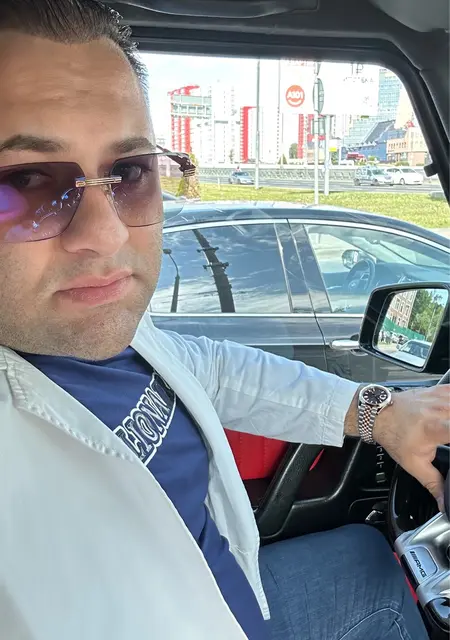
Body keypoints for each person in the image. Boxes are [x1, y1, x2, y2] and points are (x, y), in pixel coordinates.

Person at [0, 2, 447, 639]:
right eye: (25, 182)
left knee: (363, 559)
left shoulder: (119, 339)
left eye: (128, 172)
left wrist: (380, 413)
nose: (107, 234)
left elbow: (211, 369)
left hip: (235, 598)